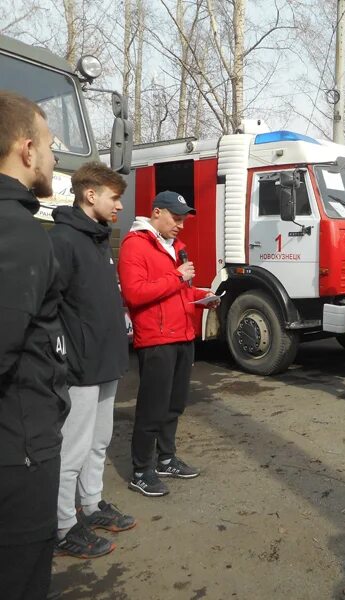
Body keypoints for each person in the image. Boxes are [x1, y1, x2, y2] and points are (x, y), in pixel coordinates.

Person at [0, 91, 67, 600]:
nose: (53, 154)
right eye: (47, 143)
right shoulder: (21, 234)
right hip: (19, 452)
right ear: (26, 150)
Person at [50, 163, 135, 559]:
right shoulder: (63, 241)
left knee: (99, 442)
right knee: (74, 447)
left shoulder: (99, 240)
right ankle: (63, 525)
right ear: (90, 195)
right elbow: (48, 307)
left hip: (107, 360)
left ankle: (93, 504)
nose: (119, 204)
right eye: (114, 197)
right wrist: (67, 352)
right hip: (81, 366)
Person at [119, 191, 220, 497]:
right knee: (152, 407)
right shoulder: (135, 245)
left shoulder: (177, 247)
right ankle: (141, 470)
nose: (180, 225)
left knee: (174, 405)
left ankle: (166, 458)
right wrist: (177, 277)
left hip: (182, 336)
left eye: (183, 219)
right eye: (175, 219)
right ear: (157, 213)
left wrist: (202, 298)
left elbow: (180, 292)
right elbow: (134, 294)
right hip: (157, 339)